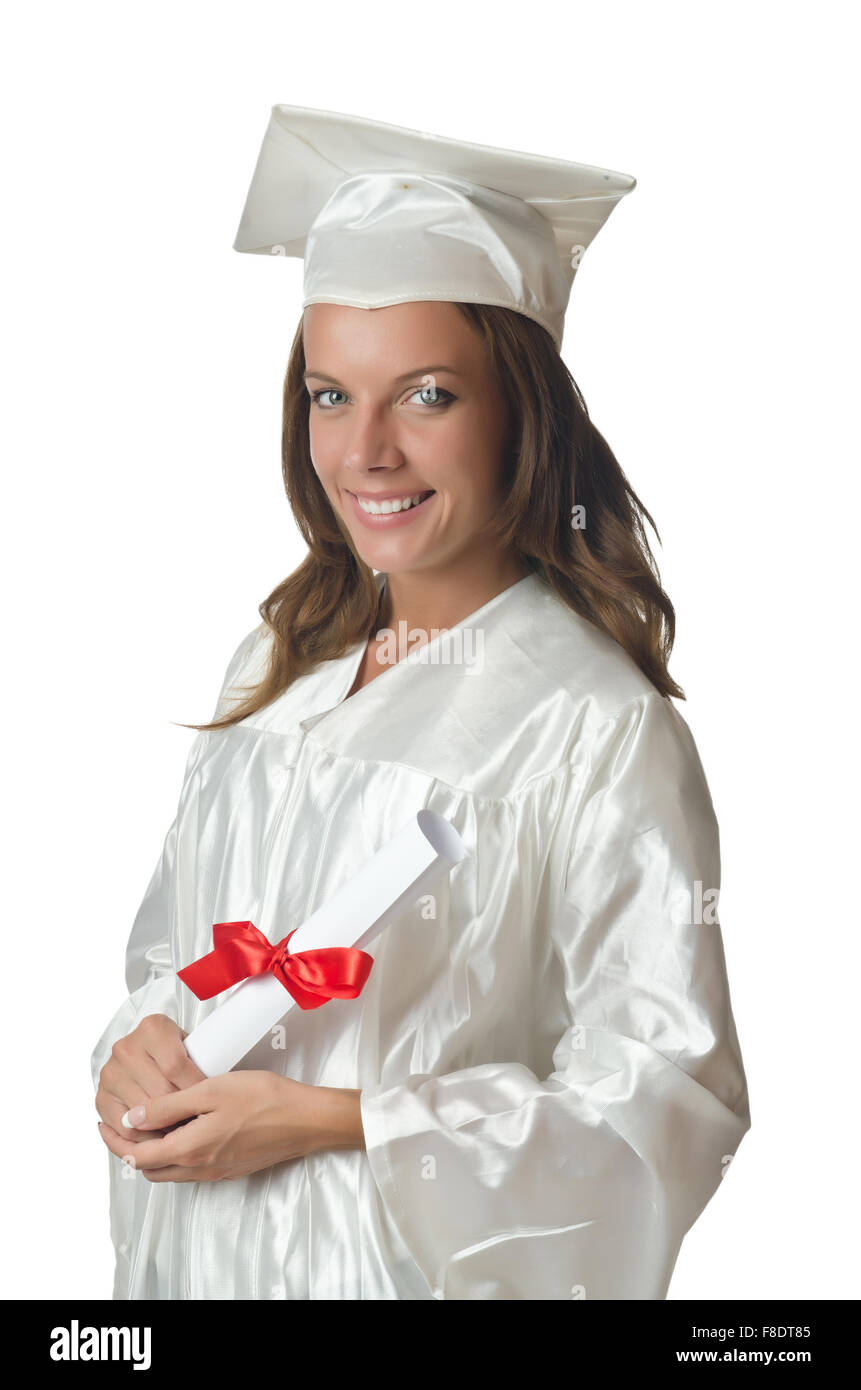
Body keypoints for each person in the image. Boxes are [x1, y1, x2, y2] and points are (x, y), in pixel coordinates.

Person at [91, 104, 751, 1300]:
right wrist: (136, 1048)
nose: (365, 452)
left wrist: (341, 1121)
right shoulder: (275, 666)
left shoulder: (592, 727)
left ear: (523, 412)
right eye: (331, 394)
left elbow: (666, 1102)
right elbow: (172, 963)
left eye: (429, 395)